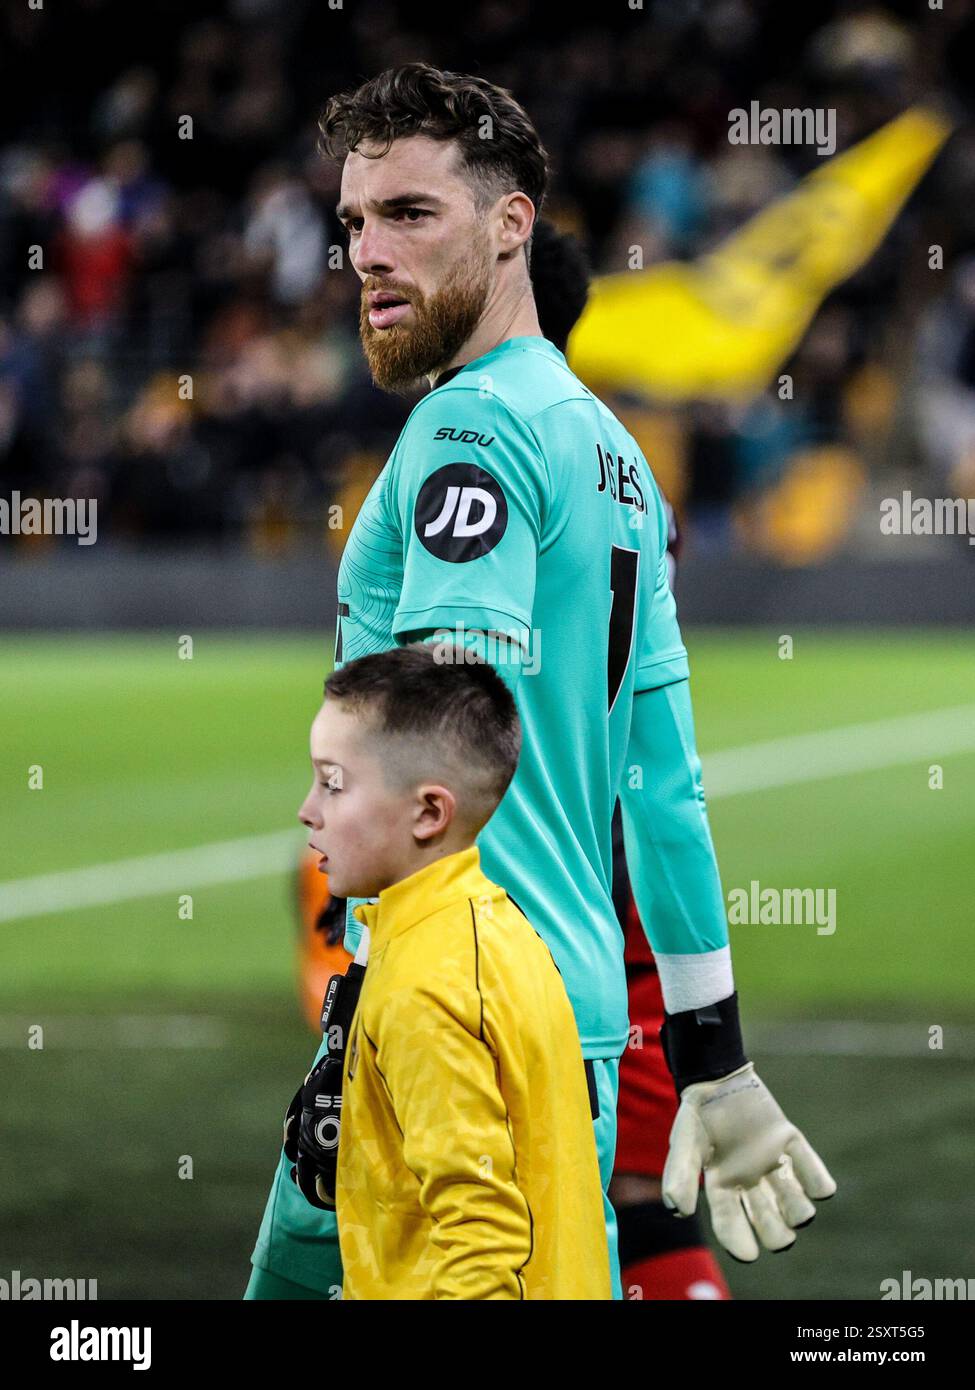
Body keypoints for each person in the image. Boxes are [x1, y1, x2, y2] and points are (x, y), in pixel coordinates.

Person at [246, 61, 834, 1302]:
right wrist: (714, 1056)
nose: (367, 253)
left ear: (513, 224)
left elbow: (448, 715)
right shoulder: (620, 463)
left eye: (412, 215)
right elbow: (664, 798)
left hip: (446, 1014)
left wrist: (364, 1017)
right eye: (355, 221)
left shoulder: (469, 425)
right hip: (566, 1021)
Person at [290, 642, 612, 1299]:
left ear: (430, 812)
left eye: (332, 783)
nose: (308, 809)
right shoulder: (498, 928)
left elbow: (480, 1248)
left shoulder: (424, 984)